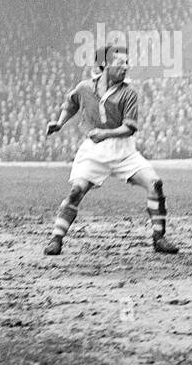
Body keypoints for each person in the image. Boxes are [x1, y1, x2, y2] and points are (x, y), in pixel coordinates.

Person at [42, 46, 178, 256]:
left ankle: (159, 238)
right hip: (94, 151)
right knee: (77, 190)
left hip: (124, 150)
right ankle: (56, 239)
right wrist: (60, 123)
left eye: (126, 63)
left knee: (155, 184)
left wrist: (104, 134)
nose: (125, 67)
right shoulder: (85, 87)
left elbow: (129, 128)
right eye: (119, 63)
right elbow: (71, 104)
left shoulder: (128, 93)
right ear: (104, 65)